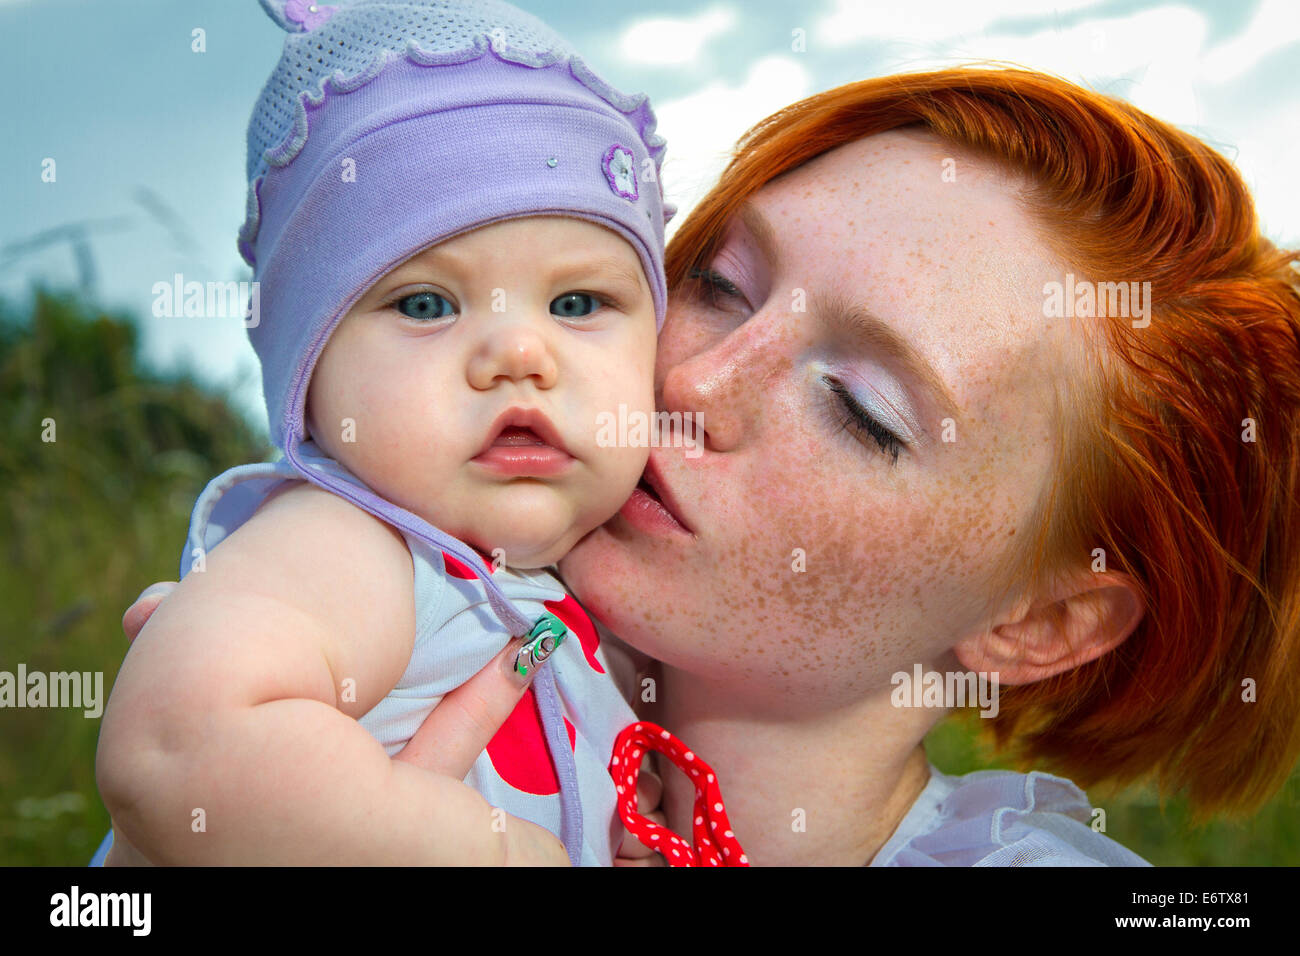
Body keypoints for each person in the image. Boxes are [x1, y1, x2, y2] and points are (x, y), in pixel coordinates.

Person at [109, 67, 1300, 865]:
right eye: (717, 281)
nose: (691, 383)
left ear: (1041, 621)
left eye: (861, 406)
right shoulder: (361, 637)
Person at [93, 0, 739, 867]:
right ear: (310, 389)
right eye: (426, 304)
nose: (519, 353)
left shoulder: (575, 611)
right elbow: (175, 752)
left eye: (579, 303)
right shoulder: (351, 549)